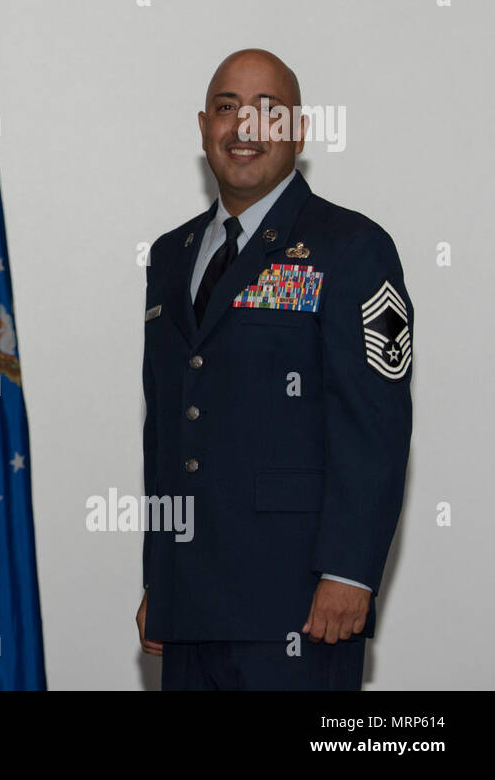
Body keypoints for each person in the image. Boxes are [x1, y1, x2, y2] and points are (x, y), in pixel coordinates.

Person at [135, 48, 413, 690]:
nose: (245, 127)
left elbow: (374, 425)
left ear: (299, 130)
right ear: (204, 125)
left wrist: (350, 573)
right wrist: (161, 579)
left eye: (269, 110)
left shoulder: (351, 248)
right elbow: (168, 435)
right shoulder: (169, 256)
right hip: (190, 608)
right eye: (228, 108)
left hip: (300, 605)